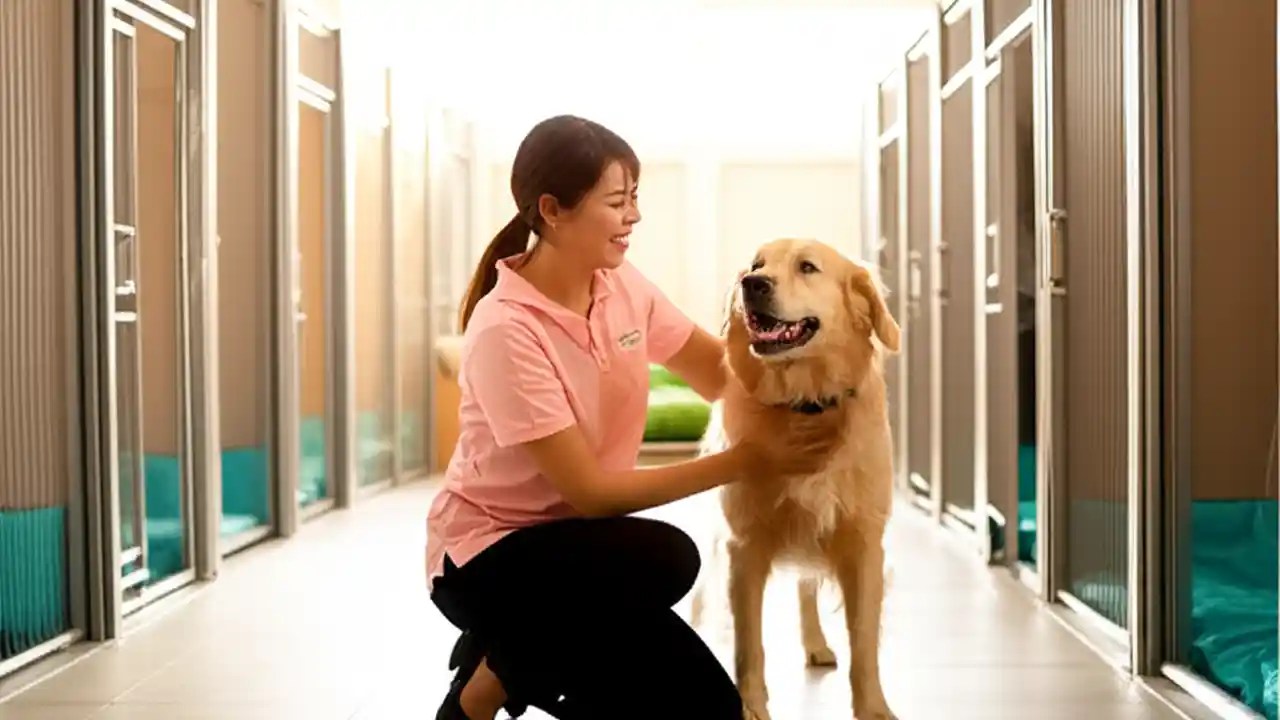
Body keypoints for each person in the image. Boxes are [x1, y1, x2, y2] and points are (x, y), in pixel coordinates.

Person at [426, 114, 842, 720]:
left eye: (635, 198)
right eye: (618, 201)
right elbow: (592, 495)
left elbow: (718, 375)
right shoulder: (505, 328)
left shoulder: (621, 287)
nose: (635, 216)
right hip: (494, 557)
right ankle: (490, 678)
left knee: (711, 709)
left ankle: (518, 651)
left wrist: (813, 368)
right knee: (668, 557)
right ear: (553, 210)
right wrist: (746, 461)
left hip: (591, 561)